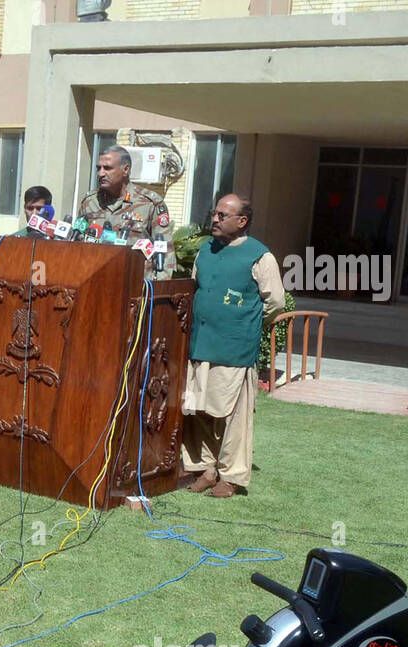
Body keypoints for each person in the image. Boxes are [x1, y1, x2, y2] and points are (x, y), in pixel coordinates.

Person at [181, 194, 285, 498]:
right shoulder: (205, 250)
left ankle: (231, 476)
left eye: (223, 215)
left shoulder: (260, 256)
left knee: (233, 416)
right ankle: (205, 468)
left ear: (242, 222)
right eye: (214, 213)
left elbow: (275, 302)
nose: (215, 219)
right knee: (198, 410)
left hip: (235, 350)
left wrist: (244, 324)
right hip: (201, 345)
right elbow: (196, 286)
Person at [77, 145, 175, 278]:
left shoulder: (149, 203)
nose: (100, 173)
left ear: (126, 169)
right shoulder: (89, 202)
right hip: (94, 282)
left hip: (134, 285)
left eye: (107, 168)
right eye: (98, 168)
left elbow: (164, 252)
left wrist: (155, 291)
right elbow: (77, 245)